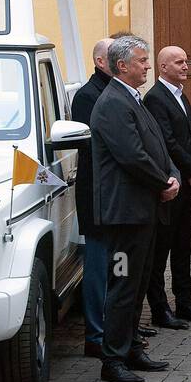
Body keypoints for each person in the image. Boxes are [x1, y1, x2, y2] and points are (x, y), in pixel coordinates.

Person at [89, 35, 178, 382]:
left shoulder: (133, 98)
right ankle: (112, 359)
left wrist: (170, 173)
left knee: (137, 283)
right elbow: (131, 155)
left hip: (143, 209)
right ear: (122, 65)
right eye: (142, 60)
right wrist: (163, 182)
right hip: (125, 212)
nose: (147, 66)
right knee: (123, 286)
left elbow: (155, 144)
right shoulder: (113, 102)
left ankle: (131, 347)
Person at [143, 45, 191, 328]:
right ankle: (160, 309)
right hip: (169, 184)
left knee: (183, 247)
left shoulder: (181, 94)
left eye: (185, 61)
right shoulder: (156, 98)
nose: (185, 66)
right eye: (179, 62)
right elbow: (167, 142)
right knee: (162, 251)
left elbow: (189, 138)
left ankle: (185, 303)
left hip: (187, 184)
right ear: (163, 67)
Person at [71, 37, 114, 358]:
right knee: (98, 267)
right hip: (98, 195)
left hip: (115, 196)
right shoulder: (88, 97)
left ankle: (115, 325)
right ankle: (96, 335)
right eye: (117, 56)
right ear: (101, 61)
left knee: (116, 267)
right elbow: (97, 148)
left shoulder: (114, 91)